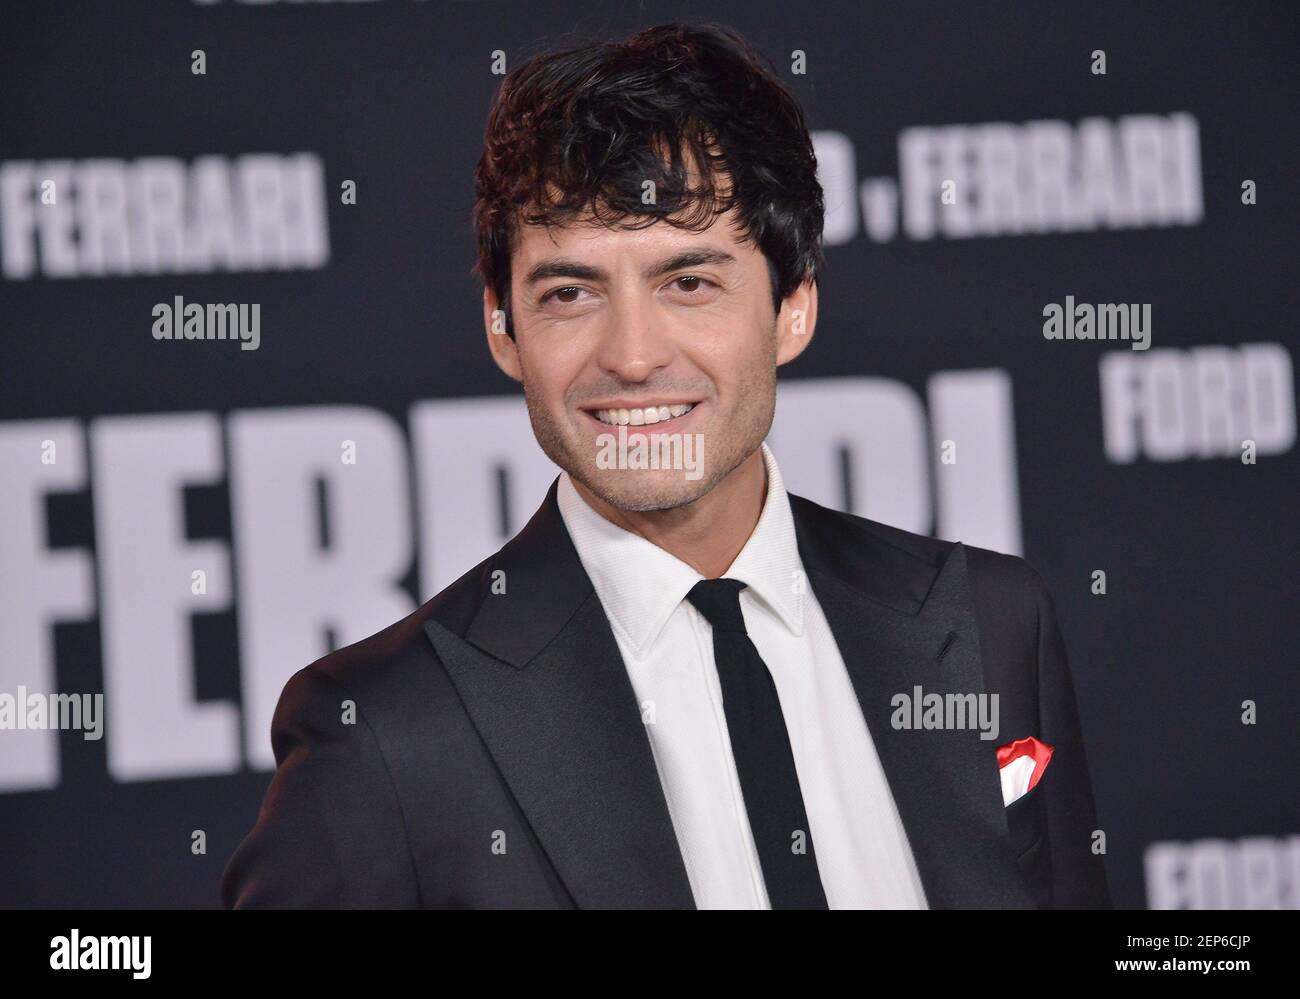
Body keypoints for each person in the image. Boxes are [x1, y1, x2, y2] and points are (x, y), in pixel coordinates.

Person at [221, 21, 1111, 909]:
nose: (634, 355)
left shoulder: (992, 625)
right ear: (503, 327)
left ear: (793, 305)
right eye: (571, 293)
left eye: (689, 282)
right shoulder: (382, 730)